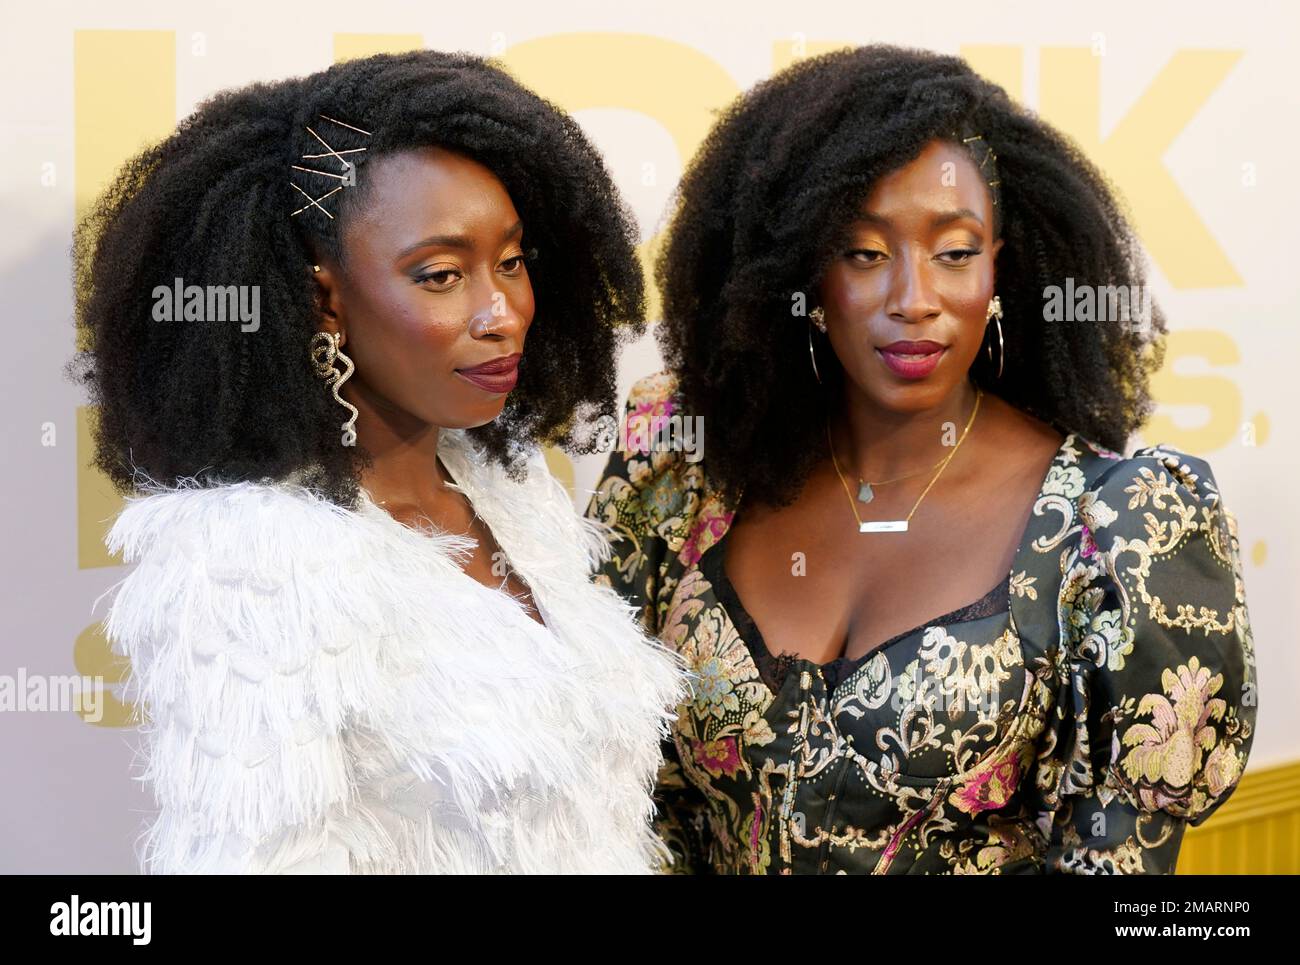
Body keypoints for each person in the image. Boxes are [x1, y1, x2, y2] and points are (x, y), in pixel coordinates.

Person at [586, 44, 1257, 874]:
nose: (914, 298)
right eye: (865, 253)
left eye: (955, 250)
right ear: (803, 273)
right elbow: (617, 791)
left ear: (1000, 272)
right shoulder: (686, 462)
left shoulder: (1120, 529)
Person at [74, 50, 688, 874]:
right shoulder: (255, 561)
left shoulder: (509, 493)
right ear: (325, 299)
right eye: (441, 275)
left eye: (510, 261)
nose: (502, 312)